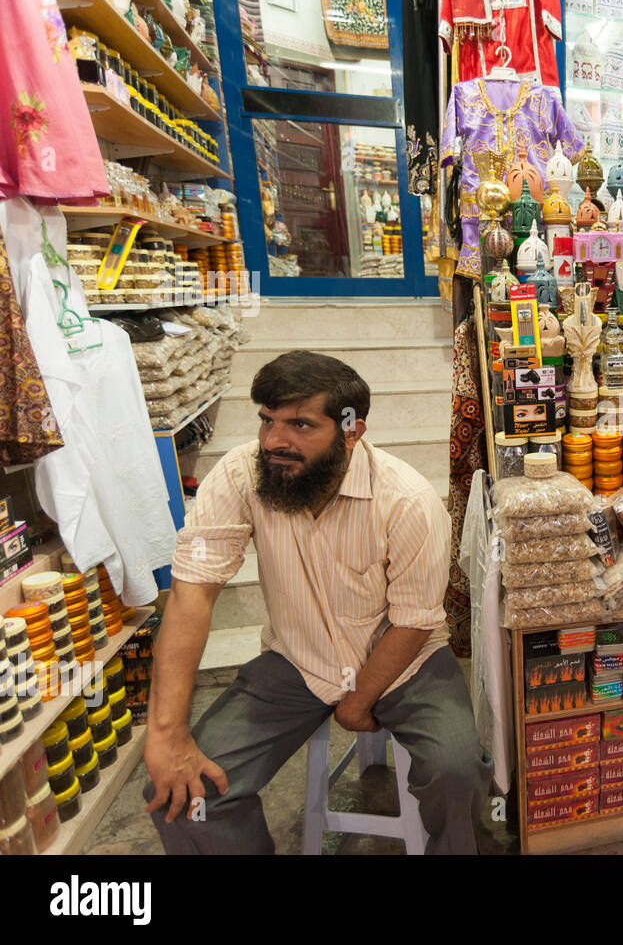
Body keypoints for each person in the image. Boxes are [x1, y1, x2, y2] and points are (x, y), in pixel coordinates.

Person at [142, 351, 490, 854]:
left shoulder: (408, 501)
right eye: (267, 420)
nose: (274, 441)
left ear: (351, 430)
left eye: (300, 425)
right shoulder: (242, 474)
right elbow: (193, 590)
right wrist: (167, 732)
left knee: (457, 773)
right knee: (180, 794)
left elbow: (414, 623)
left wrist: (358, 701)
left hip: (403, 663)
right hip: (297, 660)